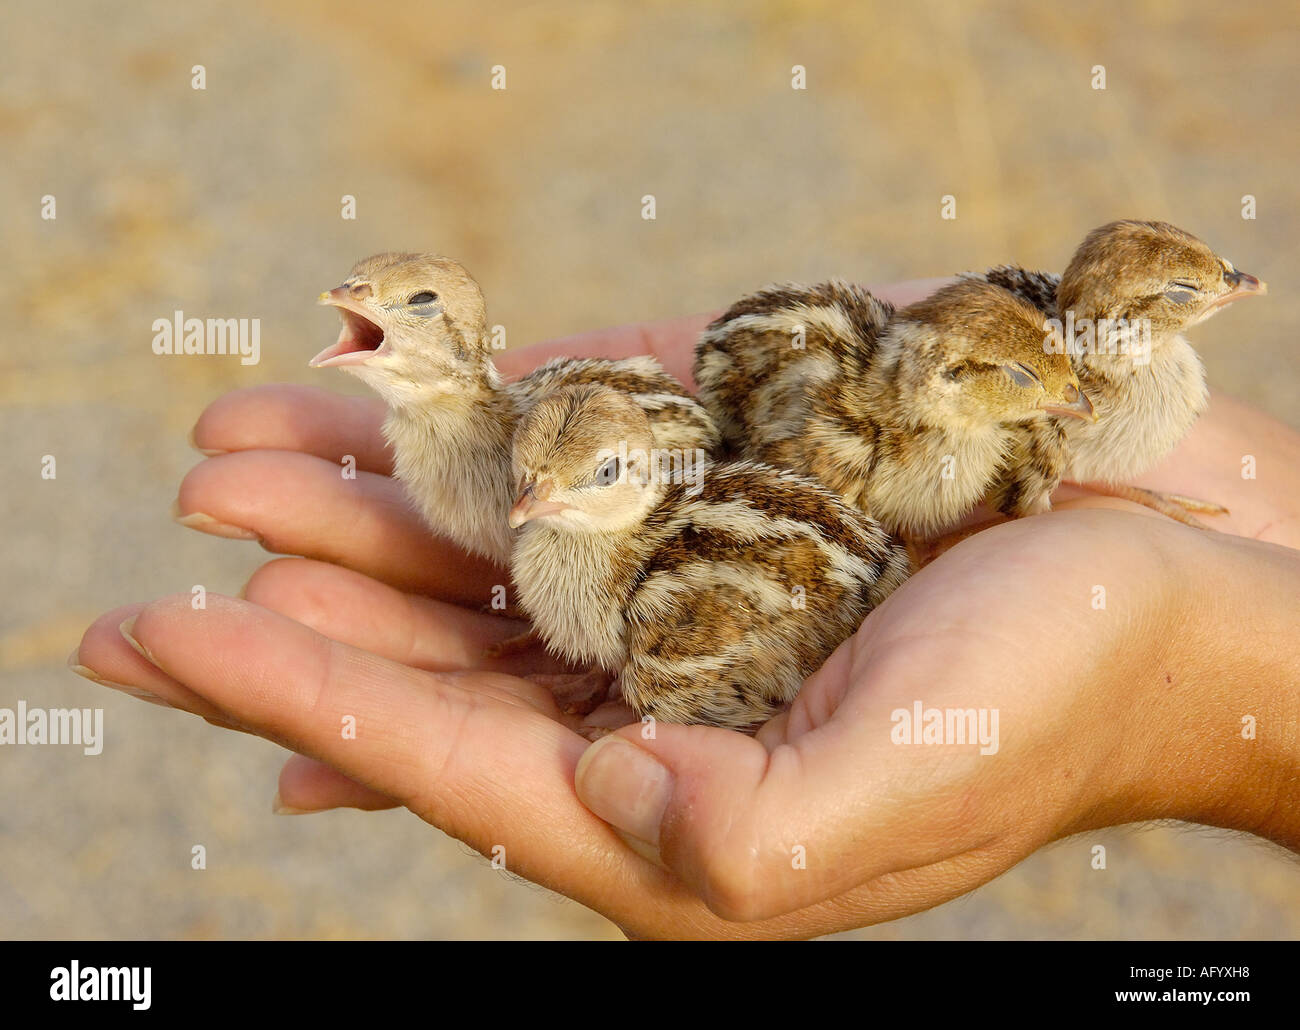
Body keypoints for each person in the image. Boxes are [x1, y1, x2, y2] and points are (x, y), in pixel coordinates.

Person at [71, 280, 1300, 939]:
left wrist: (1190, 646)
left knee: (657, 669)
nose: (530, 503)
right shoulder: (638, 517)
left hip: (773, 544)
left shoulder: (678, 610)